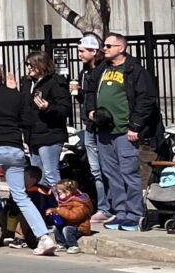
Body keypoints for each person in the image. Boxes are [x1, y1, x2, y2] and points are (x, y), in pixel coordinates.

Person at [0, 65, 57, 255]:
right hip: (13, 146)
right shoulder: (15, 95)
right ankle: (44, 238)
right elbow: (27, 121)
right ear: (2, 77)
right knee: (20, 195)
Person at [88, 32, 161, 232]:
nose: (105, 48)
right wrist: (91, 111)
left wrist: (135, 126)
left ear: (122, 48)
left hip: (125, 131)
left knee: (128, 172)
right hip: (104, 131)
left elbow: (146, 100)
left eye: (109, 45)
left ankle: (134, 214)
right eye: (105, 45)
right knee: (111, 173)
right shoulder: (101, 69)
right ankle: (120, 213)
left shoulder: (134, 70)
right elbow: (90, 91)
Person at [68, 35, 111, 223]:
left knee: (107, 168)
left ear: (94, 52)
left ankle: (110, 206)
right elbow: (85, 99)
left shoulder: (102, 70)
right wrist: (77, 92)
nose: (79, 55)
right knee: (95, 169)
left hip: (102, 125)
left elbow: (100, 96)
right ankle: (103, 206)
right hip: (89, 124)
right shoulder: (84, 71)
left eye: (82, 51)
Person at [24, 52, 70, 187]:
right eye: (27, 65)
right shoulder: (28, 83)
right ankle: (42, 205)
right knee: (36, 176)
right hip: (32, 135)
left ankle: (58, 205)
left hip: (50, 134)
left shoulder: (55, 82)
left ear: (41, 65)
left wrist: (48, 107)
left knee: (50, 174)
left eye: (32, 65)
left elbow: (64, 109)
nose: (29, 68)